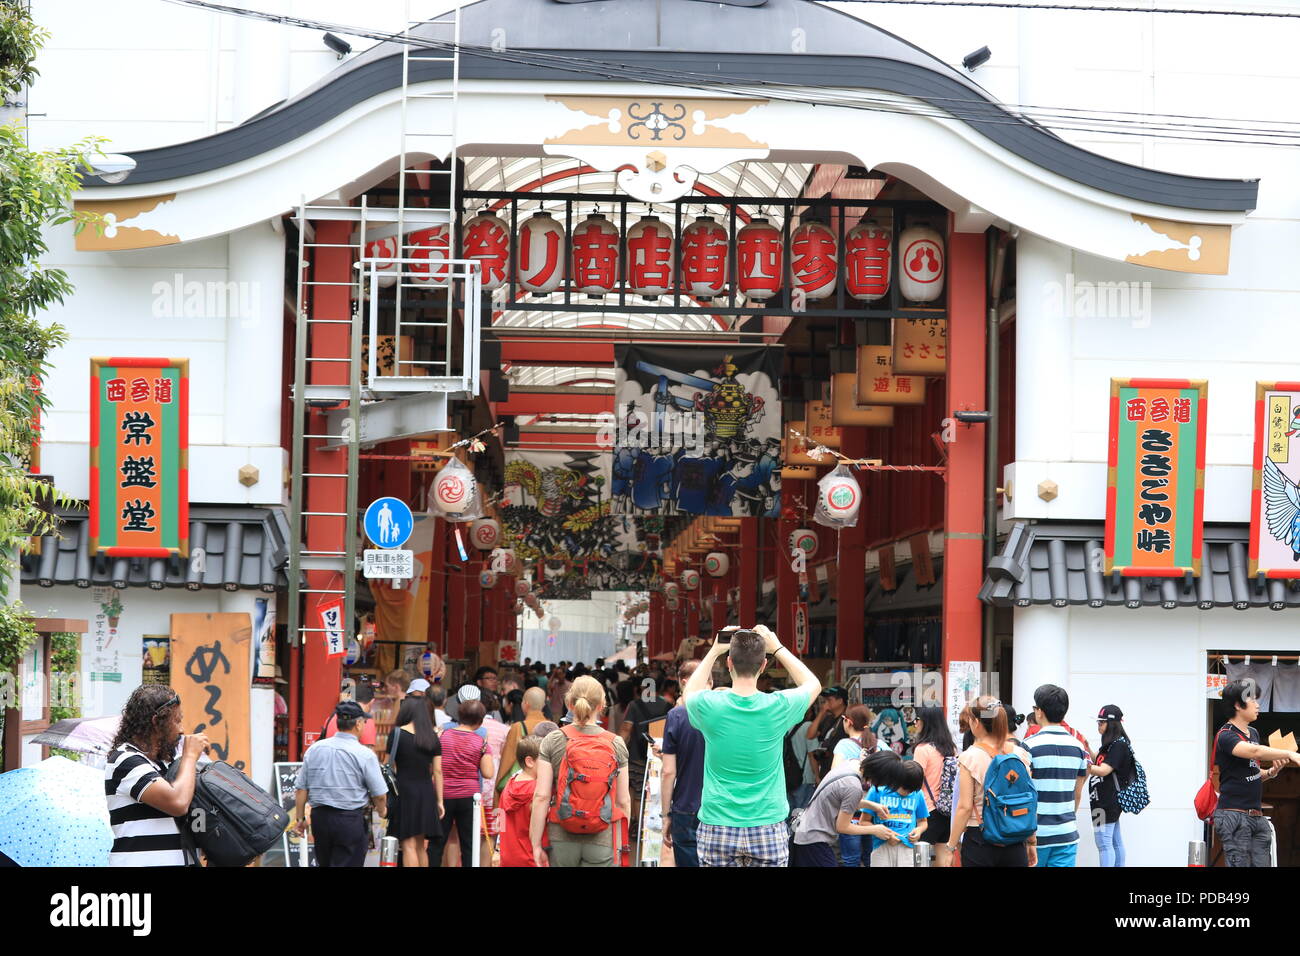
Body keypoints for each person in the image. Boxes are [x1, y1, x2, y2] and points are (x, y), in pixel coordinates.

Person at [684, 625, 822, 867]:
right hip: (768, 823)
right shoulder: (778, 706)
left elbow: (689, 692)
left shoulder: (711, 705)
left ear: (729, 663)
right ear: (763, 666)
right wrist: (777, 647)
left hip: (718, 822)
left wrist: (714, 650)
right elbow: (813, 683)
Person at [531, 675, 631, 867]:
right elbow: (623, 800)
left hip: (560, 835)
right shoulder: (615, 743)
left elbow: (541, 797)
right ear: (602, 705)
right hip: (602, 835)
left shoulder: (553, 740)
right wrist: (621, 843)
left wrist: (536, 844)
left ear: (569, 703)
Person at [105, 685, 210, 867]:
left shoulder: (164, 764)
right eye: (176, 721)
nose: (182, 729)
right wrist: (190, 756)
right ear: (156, 721)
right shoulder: (125, 760)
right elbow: (177, 803)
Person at [1209, 681, 1300, 867]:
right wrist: (1290, 753)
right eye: (1253, 699)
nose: (1258, 705)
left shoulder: (1253, 733)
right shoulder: (1226, 735)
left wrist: (1272, 772)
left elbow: (1251, 770)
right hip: (1233, 814)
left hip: (1256, 816)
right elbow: (1255, 752)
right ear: (1237, 704)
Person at [294, 701, 388, 867]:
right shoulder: (365, 754)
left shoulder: (315, 749)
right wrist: (382, 811)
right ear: (358, 724)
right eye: (364, 722)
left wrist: (300, 818)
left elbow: (301, 788)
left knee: (325, 862)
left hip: (320, 818)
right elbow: (379, 795)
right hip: (349, 820)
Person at [944, 695, 1033, 868]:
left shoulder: (969, 757)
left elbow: (964, 807)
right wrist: (1032, 842)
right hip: (1015, 835)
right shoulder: (1019, 754)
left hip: (980, 839)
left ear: (976, 722)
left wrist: (950, 847)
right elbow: (1027, 797)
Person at [791, 750, 901, 867]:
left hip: (805, 832)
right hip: (813, 839)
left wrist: (872, 805)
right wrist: (875, 829)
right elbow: (843, 827)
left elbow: (843, 800)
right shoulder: (853, 786)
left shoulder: (850, 764)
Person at [1025, 684, 1088, 867]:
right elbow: (1077, 793)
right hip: (1066, 834)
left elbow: (1024, 795)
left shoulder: (1029, 746)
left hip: (1035, 835)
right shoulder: (1078, 747)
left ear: (1039, 712)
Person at [429, 699, 494, 867]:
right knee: (468, 844)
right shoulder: (481, 743)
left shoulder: (442, 736)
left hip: (443, 795)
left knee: (437, 843)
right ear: (480, 722)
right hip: (469, 797)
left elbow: (432, 766)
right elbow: (488, 773)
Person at [386, 696, 443, 867]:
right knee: (420, 846)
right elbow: (438, 771)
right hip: (426, 792)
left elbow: (387, 766)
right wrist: (440, 800)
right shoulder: (432, 737)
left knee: (408, 844)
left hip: (404, 791)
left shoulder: (397, 734)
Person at [661, 659, 707, 867]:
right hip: (720, 808)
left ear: (684, 682)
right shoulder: (726, 715)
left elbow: (668, 772)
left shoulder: (677, 716)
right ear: (711, 683)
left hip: (685, 807)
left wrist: (665, 815)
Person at [828, 703, 884, 867]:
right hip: (874, 810)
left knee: (850, 859)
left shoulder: (844, 745)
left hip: (850, 811)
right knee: (870, 858)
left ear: (847, 721)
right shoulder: (879, 744)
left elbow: (835, 775)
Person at [620, 674, 672, 834]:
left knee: (638, 790)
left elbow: (626, 730)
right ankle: (656, 825)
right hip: (662, 755)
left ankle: (638, 825)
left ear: (642, 688)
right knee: (658, 789)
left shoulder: (634, 705)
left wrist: (616, 748)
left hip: (637, 755)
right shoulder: (669, 706)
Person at [911, 705, 959, 868]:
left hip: (928, 811)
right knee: (942, 858)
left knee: (921, 860)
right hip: (947, 810)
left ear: (926, 722)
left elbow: (914, 780)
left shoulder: (922, 749)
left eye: (917, 720)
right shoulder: (950, 748)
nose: (915, 723)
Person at [1087, 704, 1133, 867]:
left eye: (1101, 722)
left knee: (1103, 844)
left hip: (1106, 802)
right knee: (1114, 841)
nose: (1098, 725)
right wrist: (1086, 749)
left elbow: (1104, 770)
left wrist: (1082, 766)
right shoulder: (1111, 744)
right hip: (1104, 801)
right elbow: (1099, 762)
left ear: (1112, 724)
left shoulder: (1118, 745)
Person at [864, 758, 929, 867]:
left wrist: (919, 830)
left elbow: (923, 822)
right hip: (881, 846)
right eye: (905, 788)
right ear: (896, 778)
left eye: (911, 791)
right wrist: (884, 834)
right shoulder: (878, 791)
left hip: (908, 848)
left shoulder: (918, 794)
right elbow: (864, 822)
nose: (907, 793)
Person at [495, 686, 550, 793]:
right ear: (543, 705)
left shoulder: (518, 727)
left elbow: (507, 761)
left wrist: (498, 789)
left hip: (522, 786)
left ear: (525, 704)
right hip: (545, 783)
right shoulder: (552, 727)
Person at [499, 736, 542, 867]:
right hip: (533, 859)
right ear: (530, 761)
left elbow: (500, 820)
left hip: (508, 858)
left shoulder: (509, 784)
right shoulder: (539, 791)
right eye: (546, 760)